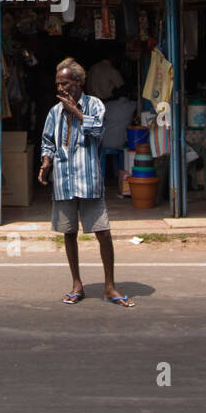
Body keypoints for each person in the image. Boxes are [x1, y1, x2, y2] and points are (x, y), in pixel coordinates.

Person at [38, 58, 134, 307]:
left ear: (79, 82)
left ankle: (110, 286)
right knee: (69, 233)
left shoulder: (95, 105)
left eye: (66, 84)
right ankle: (76, 284)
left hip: (88, 180)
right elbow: (48, 141)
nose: (61, 89)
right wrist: (46, 162)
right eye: (58, 85)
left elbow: (98, 131)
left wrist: (76, 112)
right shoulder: (54, 112)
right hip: (64, 181)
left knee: (103, 232)